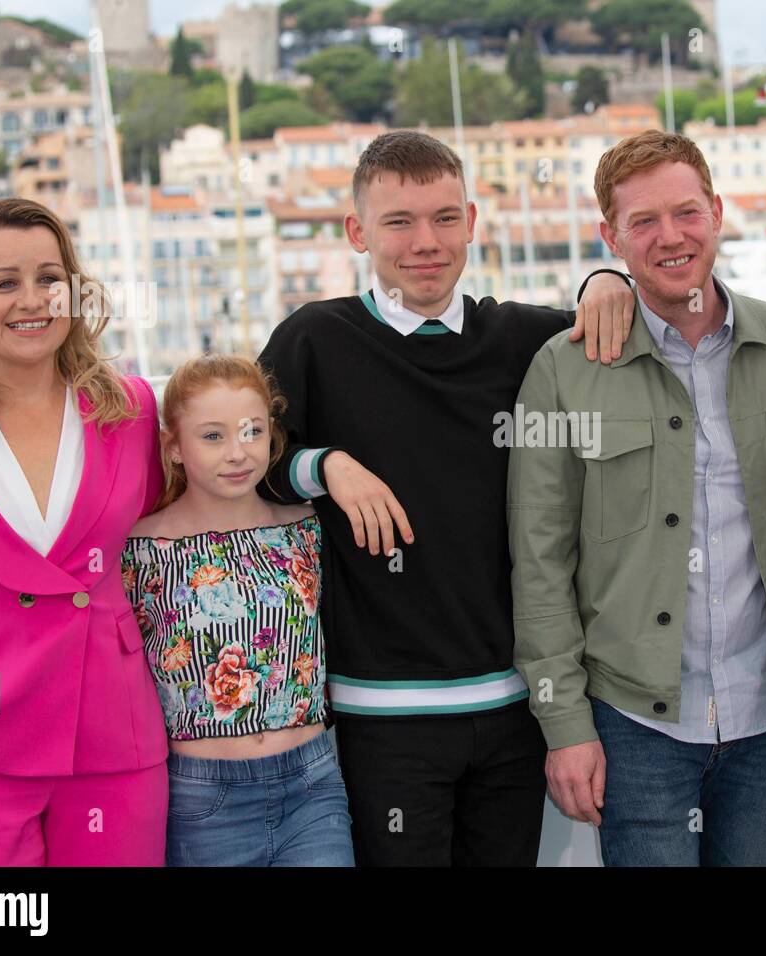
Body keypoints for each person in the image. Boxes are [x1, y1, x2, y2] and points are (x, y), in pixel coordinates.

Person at [256, 130, 634, 866]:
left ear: (471, 221)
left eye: (444, 218)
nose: (425, 242)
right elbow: (243, 458)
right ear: (357, 233)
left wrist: (600, 281)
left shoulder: (525, 338)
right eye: (399, 222)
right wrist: (324, 465)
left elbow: (615, 325)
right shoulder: (314, 339)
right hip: (380, 721)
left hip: (517, 712)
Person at [508, 130, 766, 866]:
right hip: (632, 725)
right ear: (609, 236)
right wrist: (564, 724)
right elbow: (538, 560)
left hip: (765, 719)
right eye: (643, 222)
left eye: (686, 212)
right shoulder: (563, 371)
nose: (670, 236)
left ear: (717, 211)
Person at [0, 198, 167, 866]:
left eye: (49, 278)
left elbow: (177, 534)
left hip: (111, 730)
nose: (32, 300)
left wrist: (320, 467)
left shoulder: (130, 410)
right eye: (3, 283)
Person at [121, 354, 353, 867]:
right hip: (203, 799)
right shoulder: (136, 549)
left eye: (252, 431)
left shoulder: (308, 529)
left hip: (313, 785)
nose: (237, 453)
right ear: (173, 447)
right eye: (212, 436)